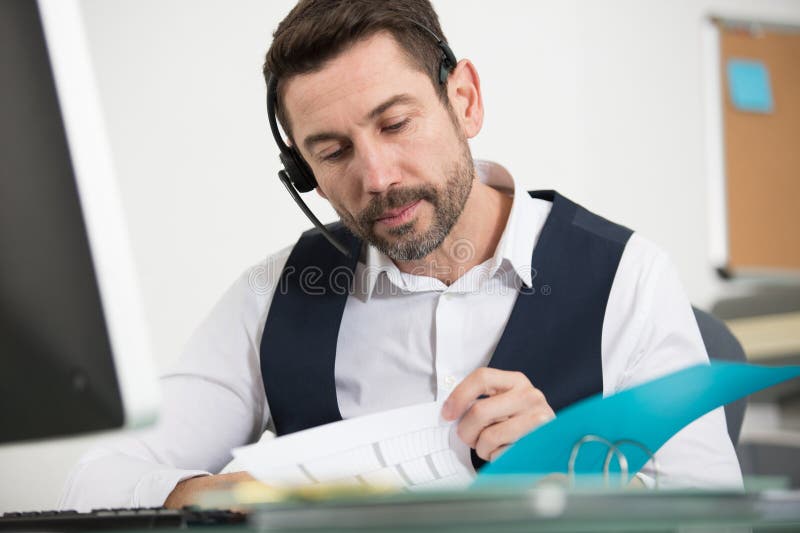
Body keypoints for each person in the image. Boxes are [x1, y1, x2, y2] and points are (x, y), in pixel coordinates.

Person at [60, 0, 742, 511]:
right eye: (332, 150)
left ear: (464, 100)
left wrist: (577, 470)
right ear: (304, 172)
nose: (378, 175)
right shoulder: (273, 296)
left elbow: (718, 517)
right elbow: (99, 476)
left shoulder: (626, 276)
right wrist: (206, 492)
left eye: (395, 123)